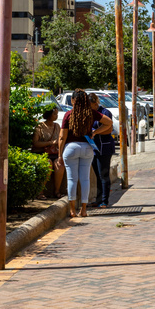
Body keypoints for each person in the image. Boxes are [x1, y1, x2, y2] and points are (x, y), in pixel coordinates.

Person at [58, 89, 112, 218]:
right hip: (87, 148)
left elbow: (62, 137)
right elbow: (109, 123)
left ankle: (72, 211)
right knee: (85, 179)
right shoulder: (92, 113)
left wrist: (60, 154)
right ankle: (83, 210)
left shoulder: (68, 115)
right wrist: (95, 132)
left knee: (72, 179)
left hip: (71, 148)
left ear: (72, 101)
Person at [88, 93, 116, 208]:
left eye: (90, 106)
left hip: (104, 147)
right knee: (97, 175)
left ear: (95, 104)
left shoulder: (105, 113)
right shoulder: (90, 114)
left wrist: (95, 132)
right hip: (94, 147)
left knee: (103, 174)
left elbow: (108, 129)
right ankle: (98, 199)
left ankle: (104, 200)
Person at [32, 108, 63, 198]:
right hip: (42, 153)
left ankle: (57, 191)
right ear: (49, 115)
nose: (56, 116)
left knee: (60, 164)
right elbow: (35, 143)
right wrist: (50, 143)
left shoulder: (57, 126)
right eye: (54, 114)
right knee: (48, 164)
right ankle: (40, 191)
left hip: (54, 153)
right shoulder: (40, 127)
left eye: (57, 114)